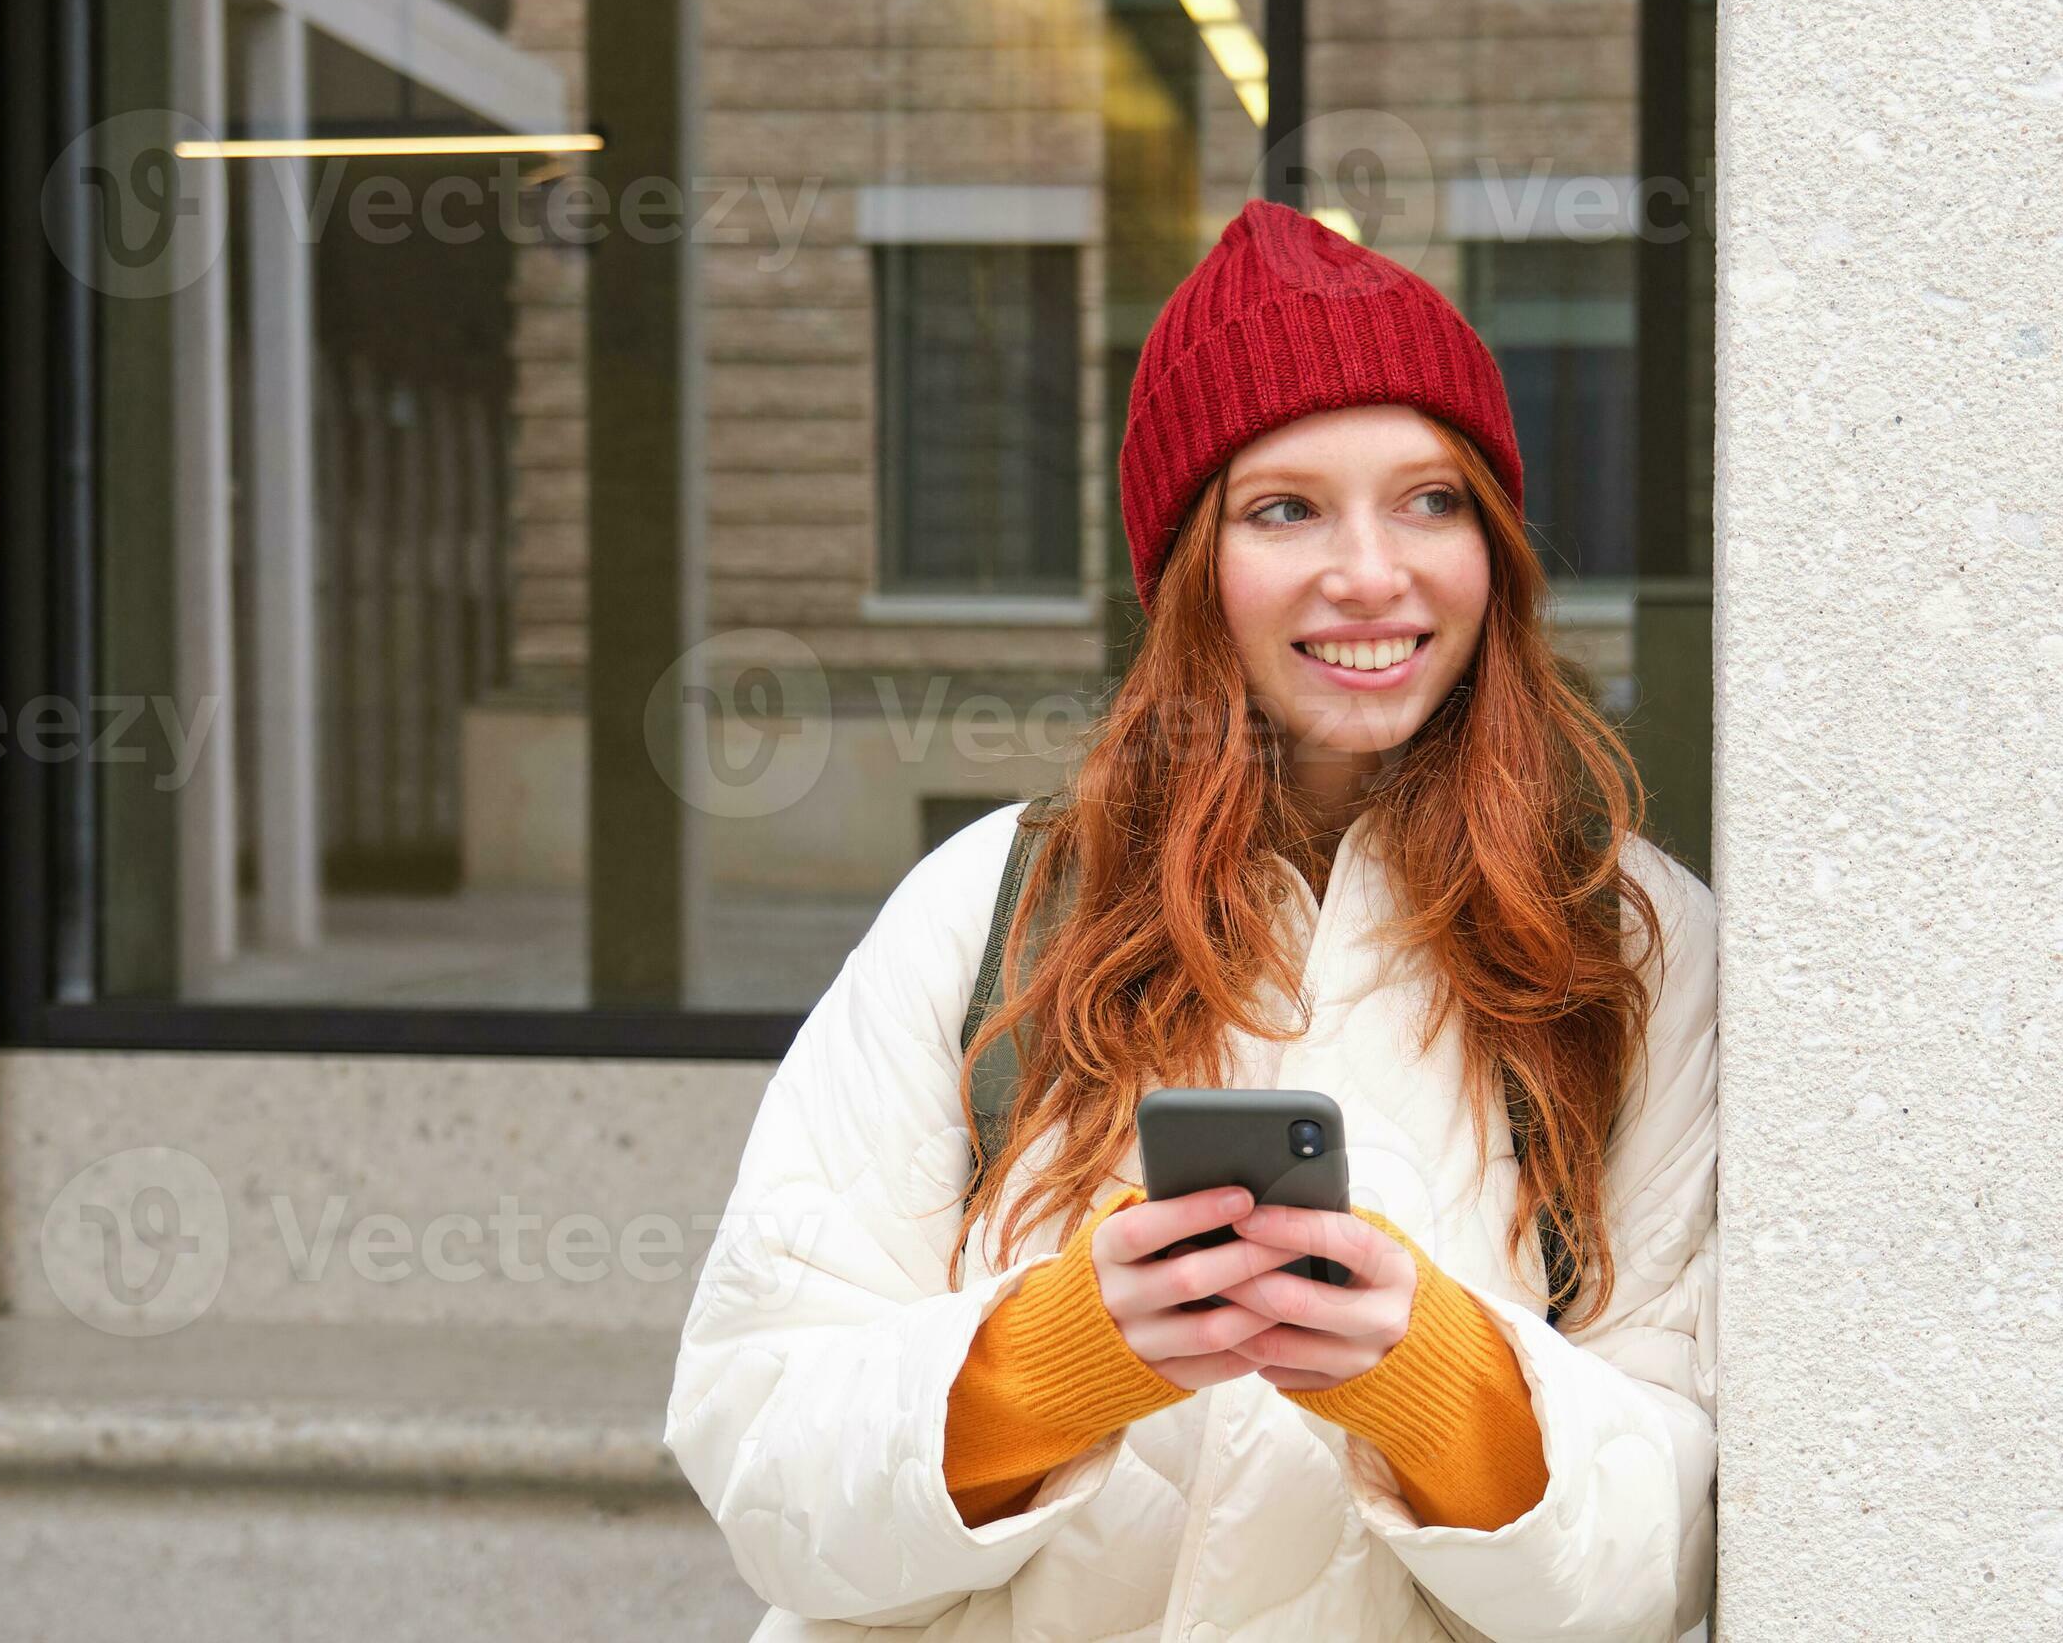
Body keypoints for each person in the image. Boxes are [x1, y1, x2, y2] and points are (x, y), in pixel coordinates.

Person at [668, 200, 1721, 1641]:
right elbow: (765, 1456)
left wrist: (1433, 1378)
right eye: (1284, 508)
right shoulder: (991, 905)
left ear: (1498, 545)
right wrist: (1060, 1361)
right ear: (1186, 575)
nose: (1371, 571)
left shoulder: (1638, 946)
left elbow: (1688, 1551)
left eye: (1431, 498)